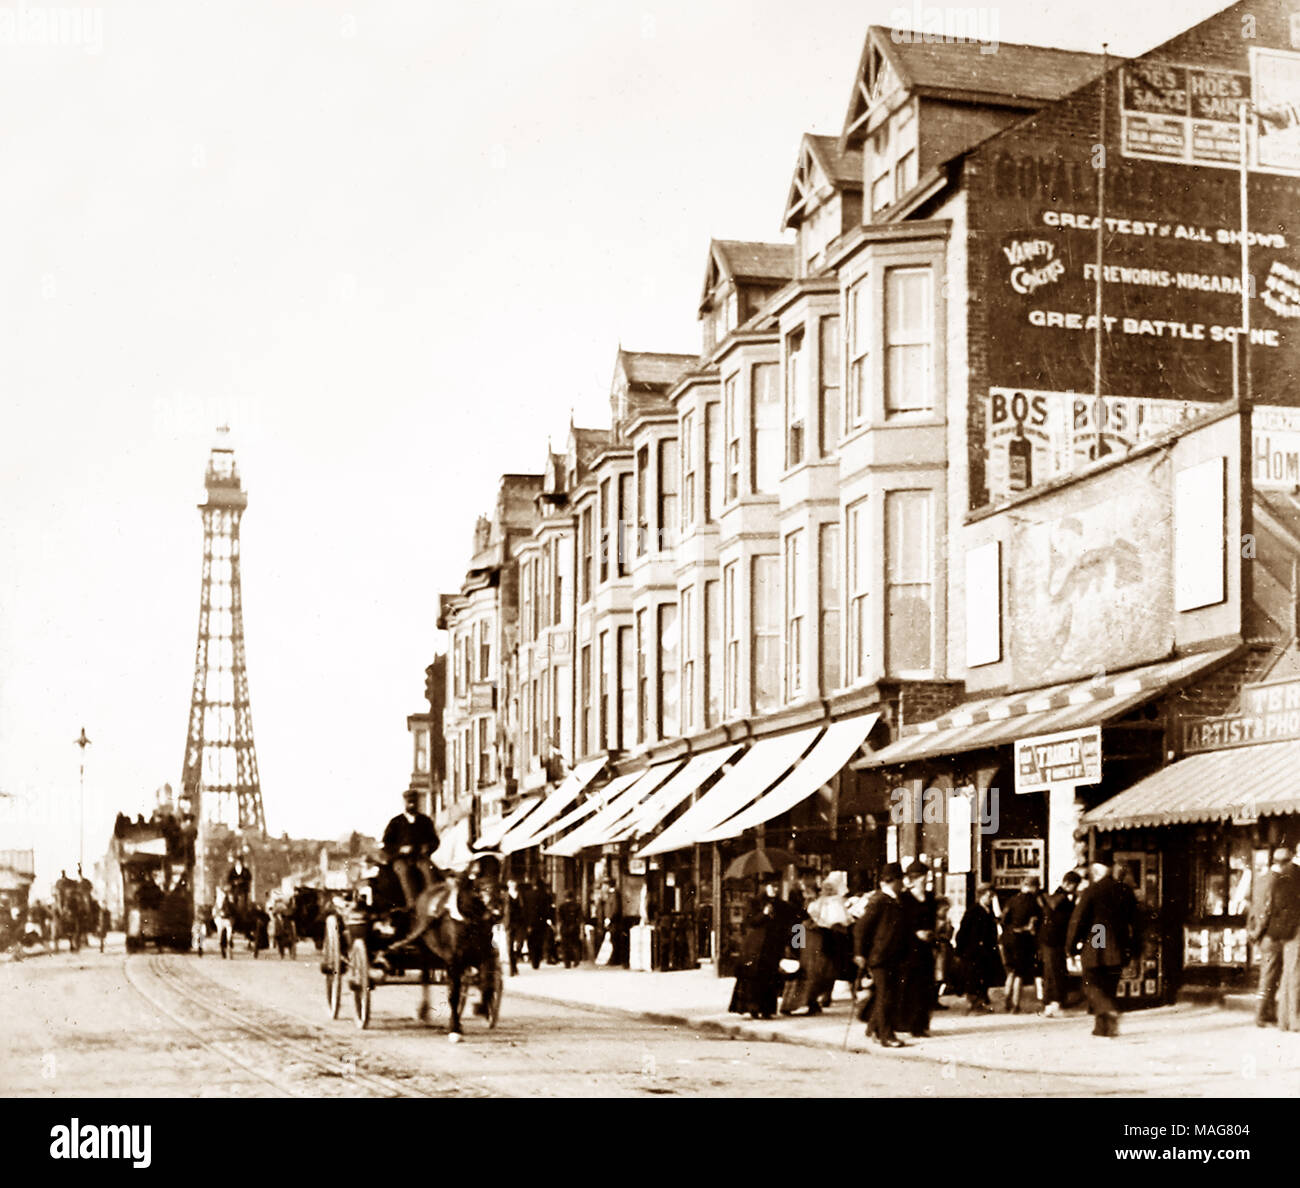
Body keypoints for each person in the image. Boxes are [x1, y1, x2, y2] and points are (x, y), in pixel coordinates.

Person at [1066, 852, 1136, 1038]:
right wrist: (1133, 950)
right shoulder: (1125, 891)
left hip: (1097, 941)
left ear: (1096, 870)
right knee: (1109, 987)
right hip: (1119, 946)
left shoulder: (1092, 891)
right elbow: (1135, 922)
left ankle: (1108, 1010)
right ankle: (1103, 1028)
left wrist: (1070, 946)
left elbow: (1077, 920)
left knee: (1091, 985)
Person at [852, 863, 909, 1047]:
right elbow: (860, 928)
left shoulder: (894, 899)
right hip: (880, 957)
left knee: (884, 994)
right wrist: (859, 953)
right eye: (901, 879)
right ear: (893, 881)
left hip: (892, 956)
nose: (903, 883)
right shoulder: (879, 901)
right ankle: (886, 1035)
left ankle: (874, 1028)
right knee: (886, 996)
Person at [729, 874, 799, 1020]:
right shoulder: (755, 902)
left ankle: (767, 1010)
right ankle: (753, 1008)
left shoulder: (781, 904)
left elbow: (790, 920)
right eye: (772, 886)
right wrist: (764, 914)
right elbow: (750, 922)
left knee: (770, 977)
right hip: (755, 946)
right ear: (764, 886)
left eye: (777, 886)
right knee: (754, 977)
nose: (775, 889)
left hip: (772, 946)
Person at [1248, 845, 1300, 1027]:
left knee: (1269, 977)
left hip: (1268, 935)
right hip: (1274, 935)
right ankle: (1262, 1015)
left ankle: (1265, 1014)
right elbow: (1267, 910)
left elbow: (1257, 907)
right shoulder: (1278, 880)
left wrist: (1255, 934)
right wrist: (1261, 932)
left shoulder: (1262, 879)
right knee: (1273, 978)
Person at [895, 860, 938, 1037]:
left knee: (925, 987)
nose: (924, 880)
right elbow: (901, 923)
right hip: (909, 948)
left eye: (925, 876)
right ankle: (908, 1024)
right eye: (921, 877)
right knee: (910, 987)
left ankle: (921, 1025)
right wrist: (915, 933)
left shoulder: (929, 898)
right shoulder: (905, 898)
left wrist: (931, 934)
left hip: (926, 948)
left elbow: (933, 920)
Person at [381, 789, 439, 915]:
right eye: (409, 802)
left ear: (417, 802)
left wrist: (428, 847)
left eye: (414, 802)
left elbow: (435, 841)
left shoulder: (425, 821)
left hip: (420, 857)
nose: (411, 805)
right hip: (401, 859)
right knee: (404, 872)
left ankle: (432, 902)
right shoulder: (395, 822)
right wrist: (400, 850)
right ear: (404, 803)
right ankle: (412, 905)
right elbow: (386, 845)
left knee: (429, 870)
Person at [955, 883, 1004, 1013]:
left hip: (986, 952)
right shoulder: (973, 911)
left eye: (992, 895)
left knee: (985, 976)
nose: (991, 898)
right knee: (974, 979)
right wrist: (960, 951)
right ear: (981, 895)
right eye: (989, 895)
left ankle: (981, 1002)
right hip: (973, 952)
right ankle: (975, 1004)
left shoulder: (989, 911)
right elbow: (963, 932)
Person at [1039, 871, 1081, 1016]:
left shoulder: (1061, 897)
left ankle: (1050, 1003)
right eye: (1074, 886)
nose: (1075, 889)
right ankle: (1054, 1002)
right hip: (1054, 941)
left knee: (1052, 972)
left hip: (1051, 941)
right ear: (1068, 883)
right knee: (1056, 972)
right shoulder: (1059, 898)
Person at [1001, 876, 1043, 1013]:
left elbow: (1003, 919)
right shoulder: (1034, 902)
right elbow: (1038, 922)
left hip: (1007, 939)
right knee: (1019, 973)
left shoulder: (1012, 900)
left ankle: (1006, 1000)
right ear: (1034, 887)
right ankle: (1015, 1005)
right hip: (1022, 940)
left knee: (1011, 972)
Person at [526, 880, 555, 971]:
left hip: (530, 921)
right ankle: (537, 959)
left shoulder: (528, 895)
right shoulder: (546, 896)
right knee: (539, 940)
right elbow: (549, 909)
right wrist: (550, 919)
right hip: (541, 921)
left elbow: (525, 909)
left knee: (531, 940)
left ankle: (533, 958)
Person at [503, 879, 527, 975]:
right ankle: (512, 968)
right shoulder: (505, 895)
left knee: (519, 944)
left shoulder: (520, 895)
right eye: (510, 883)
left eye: (514, 883)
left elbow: (524, 908)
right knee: (509, 945)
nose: (512, 885)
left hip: (519, 922)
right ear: (508, 885)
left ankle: (515, 962)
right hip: (509, 923)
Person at [558, 890, 583, 968]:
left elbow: (559, 919)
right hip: (575, 927)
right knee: (575, 944)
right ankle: (576, 960)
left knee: (565, 946)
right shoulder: (577, 906)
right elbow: (580, 918)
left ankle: (567, 963)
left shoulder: (562, 906)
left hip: (565, 927)